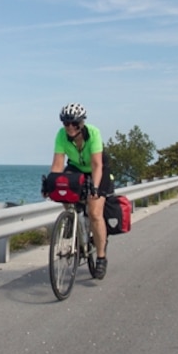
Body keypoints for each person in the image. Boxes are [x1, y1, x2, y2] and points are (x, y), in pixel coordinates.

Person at [49, 103, 112, 279]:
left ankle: (101, 257)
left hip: (98, 170)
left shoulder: (93, 133)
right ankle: (72, 218)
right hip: (76, 168)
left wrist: (95, 188)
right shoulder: (61, 135)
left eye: (74, 123)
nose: (70, 127)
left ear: (82, 122)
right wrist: (50, 185)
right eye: (66, 123)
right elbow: (58, 165)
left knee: (94, 212)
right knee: (61, 186)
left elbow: (97, 165)